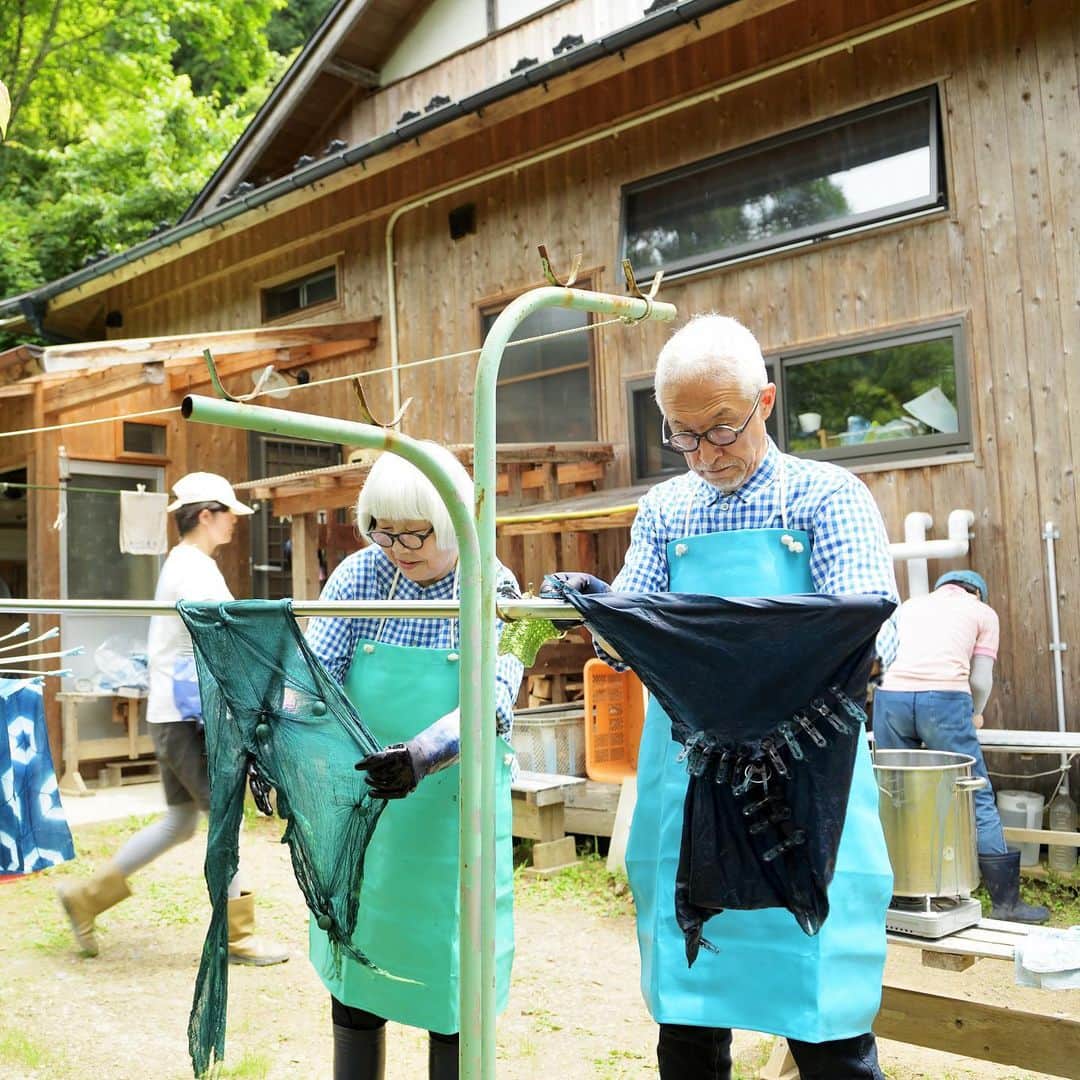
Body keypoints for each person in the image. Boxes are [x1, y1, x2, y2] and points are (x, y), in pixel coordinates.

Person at [548, 314, 899, 1080]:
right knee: (690, 1017)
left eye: (721, 429)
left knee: (825, 1024)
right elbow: (625, 642)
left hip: (804, 789)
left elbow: (875, 639)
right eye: (683, 435)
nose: (706, 454)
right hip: (686, 785)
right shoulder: (665, 511)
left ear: (765, 402)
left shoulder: (827, 498)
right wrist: (599, 613)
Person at [305, 443, 524, 1080]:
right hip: (362, 811)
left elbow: (494, 697)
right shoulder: (359, 576)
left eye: (415, 534)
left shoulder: (493, 585)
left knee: (453, 985)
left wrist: (424, 755)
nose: (397, 548)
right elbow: (316, 681)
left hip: (452, 818)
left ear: (453, 522)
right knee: (355, 971)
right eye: (383, 530)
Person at [57, 471, 289, 965]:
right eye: (227, 514)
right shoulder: (195, 570)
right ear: (206, 515)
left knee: (181, 822)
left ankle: (85, 899)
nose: (233, 523)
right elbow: (222, 637)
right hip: (187, 719)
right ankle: (238, 937)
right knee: (223, 819)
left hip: (172, 715)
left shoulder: (184, 563)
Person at [873, 570, 1048, 923]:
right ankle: (1006, 904)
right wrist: (976, 713)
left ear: (941, 588)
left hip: (890, 697)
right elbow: (980, 680)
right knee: (973, 791)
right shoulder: (982, 612)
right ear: (977, 593)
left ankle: (899, 895)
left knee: (893, 792)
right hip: (943, 700)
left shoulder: (911, 606)